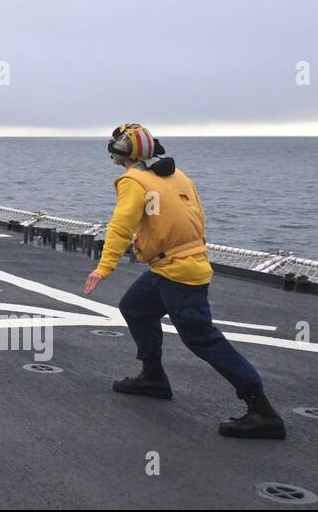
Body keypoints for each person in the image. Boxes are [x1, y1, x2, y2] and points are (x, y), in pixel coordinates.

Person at [83, 124, 285, 439]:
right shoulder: (177, 176)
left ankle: (261, 409)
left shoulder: (133, 181)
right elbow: (197, 217)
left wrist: (103, 268)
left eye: (116, 143)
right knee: (135, 308)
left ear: (123, 149)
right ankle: (153, 377)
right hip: (178, 264)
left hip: (177, 271)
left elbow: (121, 226)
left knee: (200, 337)